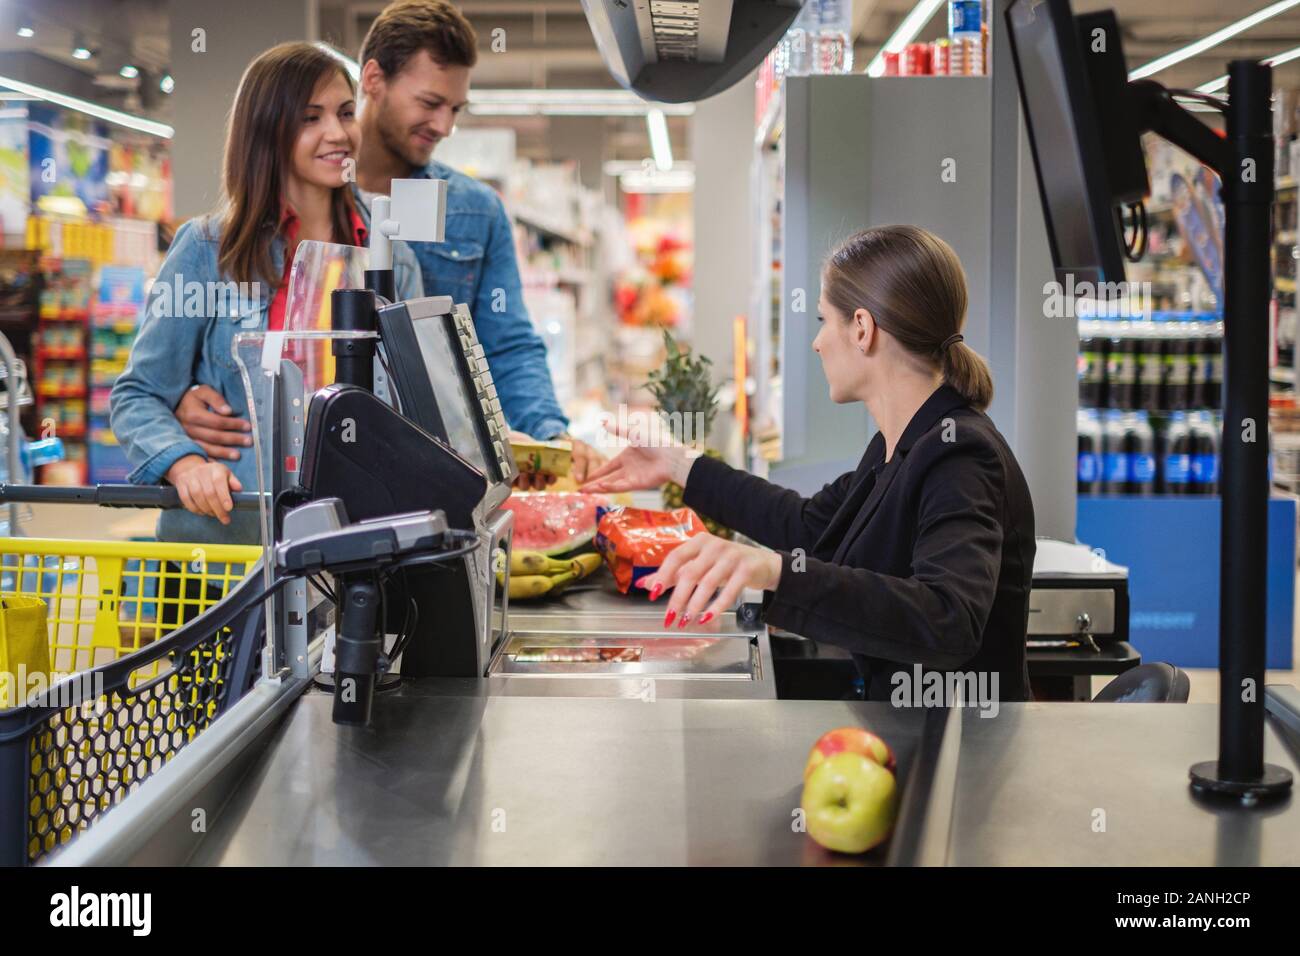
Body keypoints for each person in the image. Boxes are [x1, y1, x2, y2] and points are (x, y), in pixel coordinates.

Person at [583, 226, 1036, 702]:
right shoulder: (902, 442)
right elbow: (808, 527)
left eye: (824, 320)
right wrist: (679, 464)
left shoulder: (959, 454)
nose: (818, 343)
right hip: (915, 736)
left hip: (965, 757)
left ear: (862, 329)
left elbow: (949, 619)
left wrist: (776, 573)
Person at [173, 0, 605, 488]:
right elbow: (205, 354)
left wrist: (551, 436)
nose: (444, 126)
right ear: (374, 79)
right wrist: (185, 403)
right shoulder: (253, 225)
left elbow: (506, 346)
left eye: (455, 109)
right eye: (429, 103)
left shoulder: (471, 210)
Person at [111, 42, 423, 544]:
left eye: (346, 113)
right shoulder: (210, 248)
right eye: (309, 117)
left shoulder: (391, 256)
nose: (337, 133)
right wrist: (186, 463)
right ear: (267, 129)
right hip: (231, 552)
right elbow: (138, 394)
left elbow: (414, 407)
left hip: (353, 548)